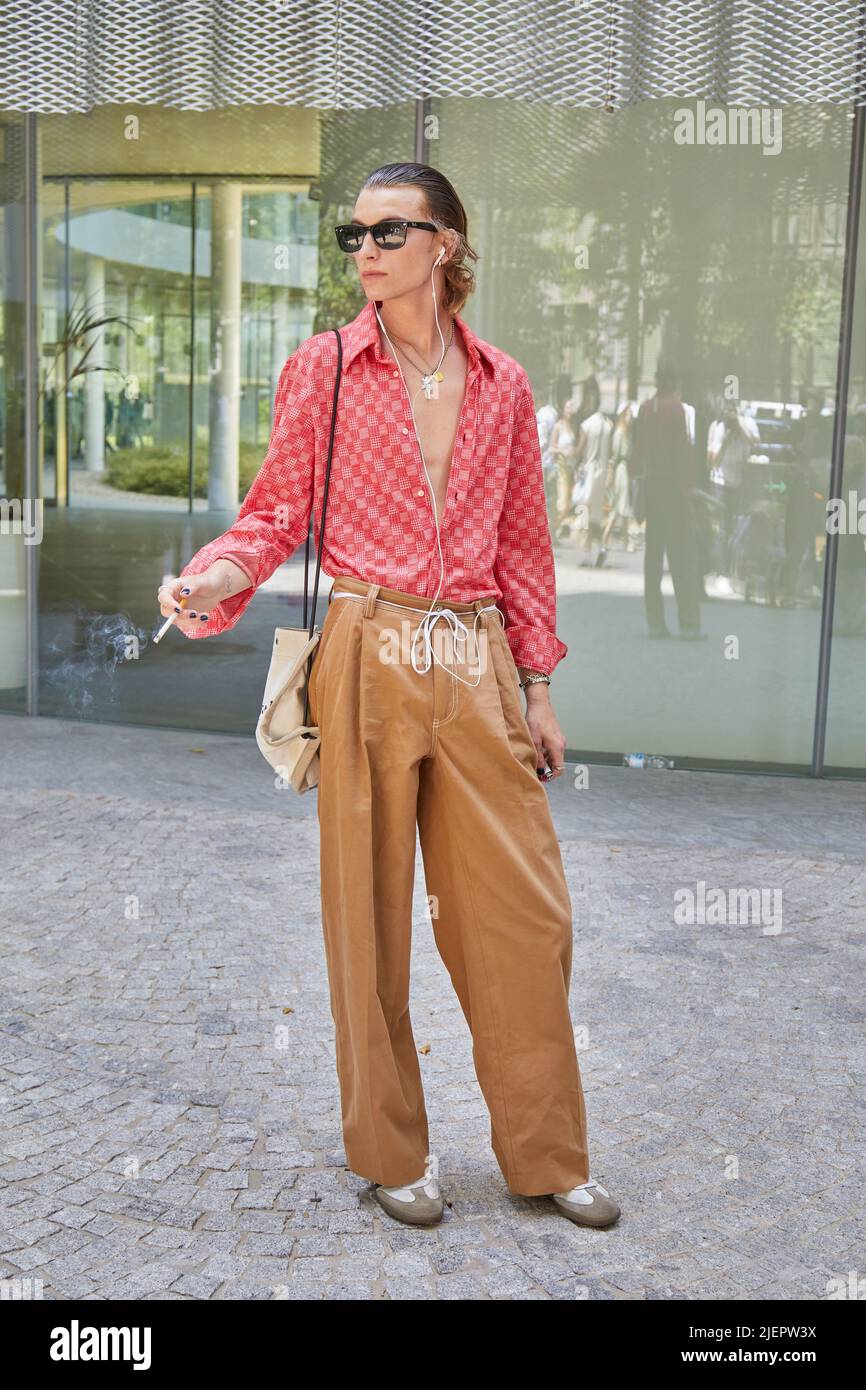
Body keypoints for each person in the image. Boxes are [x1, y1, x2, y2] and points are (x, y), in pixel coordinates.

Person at [157, 162, 620, 1232]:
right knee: (366, 917)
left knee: (524, 915)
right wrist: (213, 576)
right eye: (349, 235)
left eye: (387, 230)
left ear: (444, 244)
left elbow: (521, 545)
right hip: (365, 641)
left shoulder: (502, 383)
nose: (363, 250)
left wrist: (537, 688)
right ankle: (389, 1149)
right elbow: (275, 513)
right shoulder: (320, 370)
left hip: (475, 655)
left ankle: (545, 1154)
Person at [632, 358, 706, 639]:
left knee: (653, 557)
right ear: (674, 381)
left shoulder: (646, 407)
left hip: (652, 487)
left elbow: (636, 452)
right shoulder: (676, 408)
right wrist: (688, 487)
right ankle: (688, 623)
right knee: (681, 556)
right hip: (673, 490)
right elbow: (682, 451)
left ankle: (655, 623)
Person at [706, 401, 760, 591]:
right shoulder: (718, 428)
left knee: (737, 527)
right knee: (722, 528)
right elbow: (711, 463)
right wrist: (726, 440)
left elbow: (757, 448)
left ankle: (736, 569)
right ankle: (722, 572)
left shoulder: (748, 425)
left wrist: (740, 429)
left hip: (740, 482)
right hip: (720, 483)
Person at [571, 376, 612, 568]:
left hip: (588, 472)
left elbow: (579, 451)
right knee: (597, 514)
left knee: (584, 514)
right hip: (602, 473)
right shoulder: (607, 425)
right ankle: (601, 548)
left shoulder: (587, 425)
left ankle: (586, 553)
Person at [602, 400, 638, 554]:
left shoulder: (628, 433)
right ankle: (622, 539)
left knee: (621, 507)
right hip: (620, 471)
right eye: (627, 414)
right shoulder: (619, 433)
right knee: (621, 507)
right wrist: (610, 474)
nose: (630, 417)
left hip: (625, 470)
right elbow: (614, 457)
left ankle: (620, 539)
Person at [548, 396, 579, 538]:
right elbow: (551, 448)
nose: (570, 410)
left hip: (570, 467)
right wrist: (563, 451)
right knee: (562, 503)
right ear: (563, 409)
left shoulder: (572, 427)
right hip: (561, 468)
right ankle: (550, 532)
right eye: (568, 407)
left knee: (567, 504)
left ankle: (551, 531)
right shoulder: (559, 426)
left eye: (572, 407)